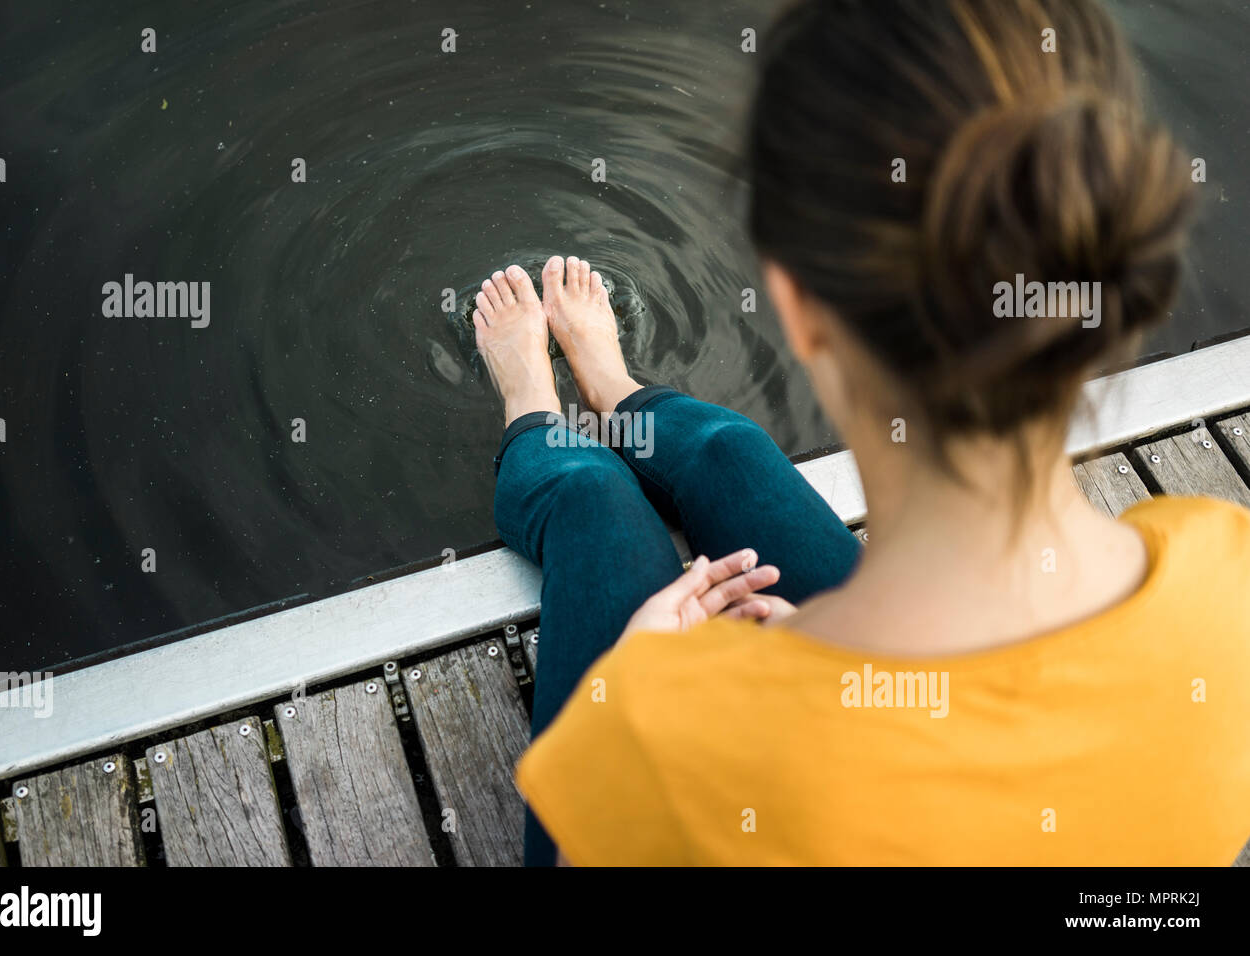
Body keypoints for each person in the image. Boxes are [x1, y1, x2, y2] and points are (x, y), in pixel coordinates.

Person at [473, 0, 1250, 865]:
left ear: (801, 309)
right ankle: (616, 393)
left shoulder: (668, 738)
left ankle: (536, 413)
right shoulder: (1230, 569)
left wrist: (639, 687)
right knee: (729, 457)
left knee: (595, 502)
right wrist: (836, 676)